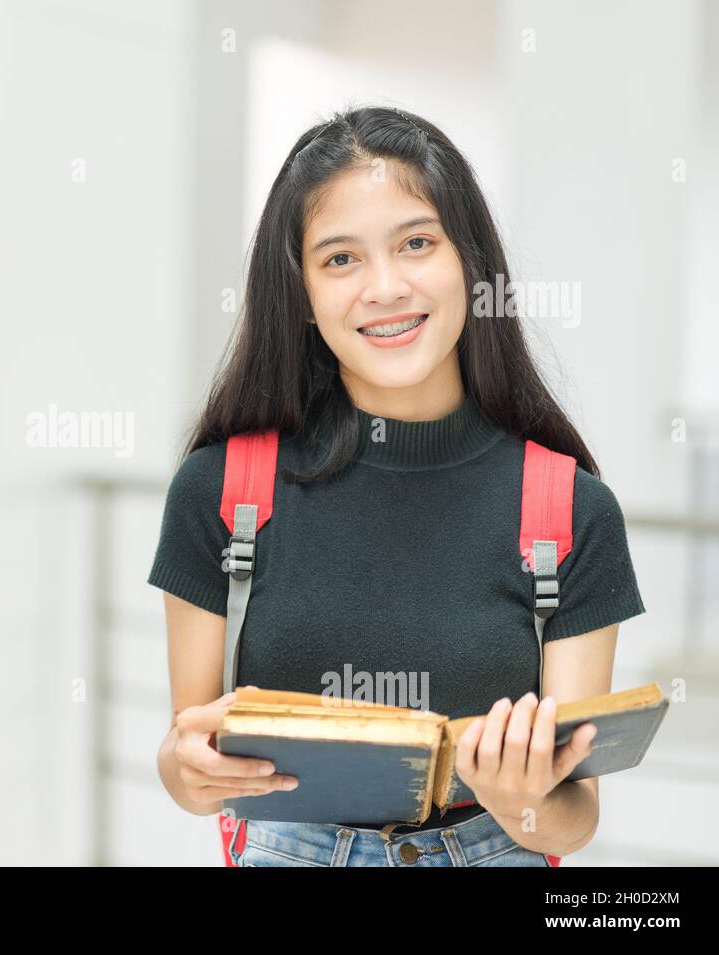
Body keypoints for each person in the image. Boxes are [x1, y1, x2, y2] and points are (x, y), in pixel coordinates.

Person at [147, 105, 646, 867]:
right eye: (340, 259)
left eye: (416, 243)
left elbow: (571, 824)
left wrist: (522, 800)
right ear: (302, 295)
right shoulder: (221, 494)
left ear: (469, 263)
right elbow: (195, 772)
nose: (385, 287)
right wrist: (184, 767)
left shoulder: (569, 511)